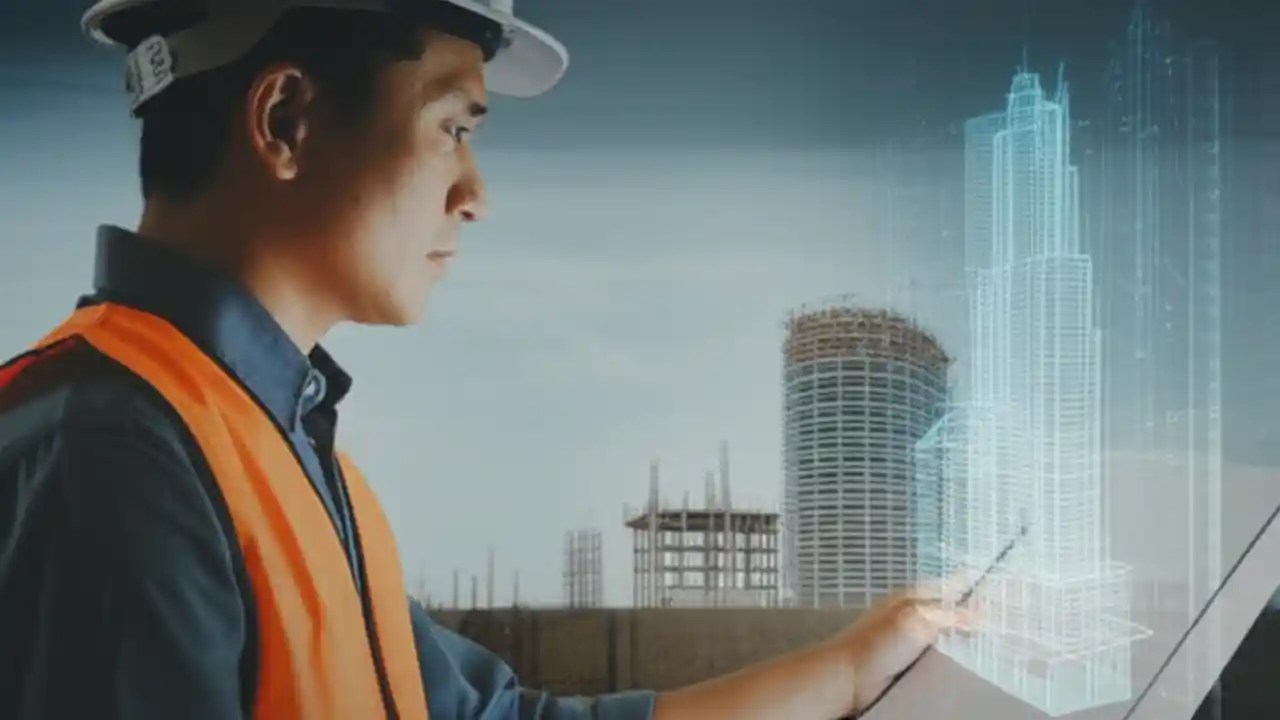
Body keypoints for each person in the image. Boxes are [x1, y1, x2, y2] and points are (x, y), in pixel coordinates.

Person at [0, 1, 973, 718]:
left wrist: (848, 671)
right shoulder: (112, 455)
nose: (474, 194)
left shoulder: (283, 457)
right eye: (451, 128)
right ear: (286, 120)